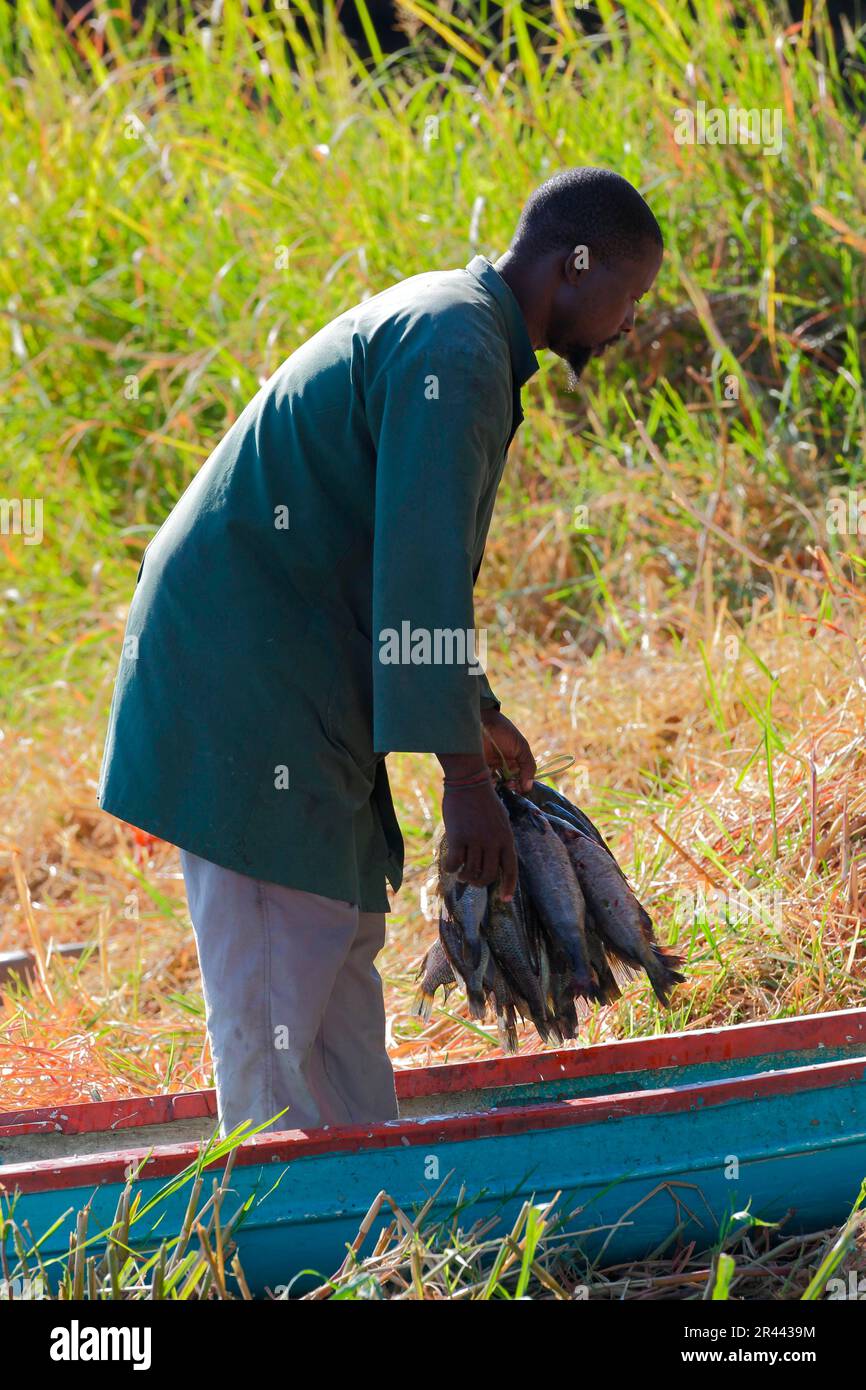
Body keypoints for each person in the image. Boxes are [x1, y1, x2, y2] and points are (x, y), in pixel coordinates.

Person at [97, 166, 664, 1135]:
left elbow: (406, 558)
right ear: (575, 266)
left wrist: (474, 713)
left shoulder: (460, 331)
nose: (626, 325)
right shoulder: (457, 342)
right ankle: (275, 1244)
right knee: (282, 972)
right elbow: (416, 573)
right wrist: (462, 783)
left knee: (338, 936)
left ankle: (371, 1227)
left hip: (292, 668)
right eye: (631, 296)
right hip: (248, 680)